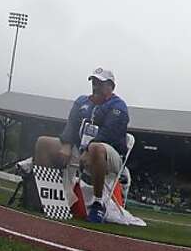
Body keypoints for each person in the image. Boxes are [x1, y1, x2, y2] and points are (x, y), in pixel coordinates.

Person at [33, 67, 130, 223]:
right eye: (94, 82)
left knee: (96, 148)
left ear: (111, 86)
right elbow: (72, 125)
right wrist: (66, 144)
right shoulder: (82, 102)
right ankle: (49, 199)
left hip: (110, 155)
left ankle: (98, 204)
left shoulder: (118, 106)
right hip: (82, 149)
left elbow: (109, 134)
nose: (96, 86)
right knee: (43, 143)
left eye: (100, 83)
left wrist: (87, 149)